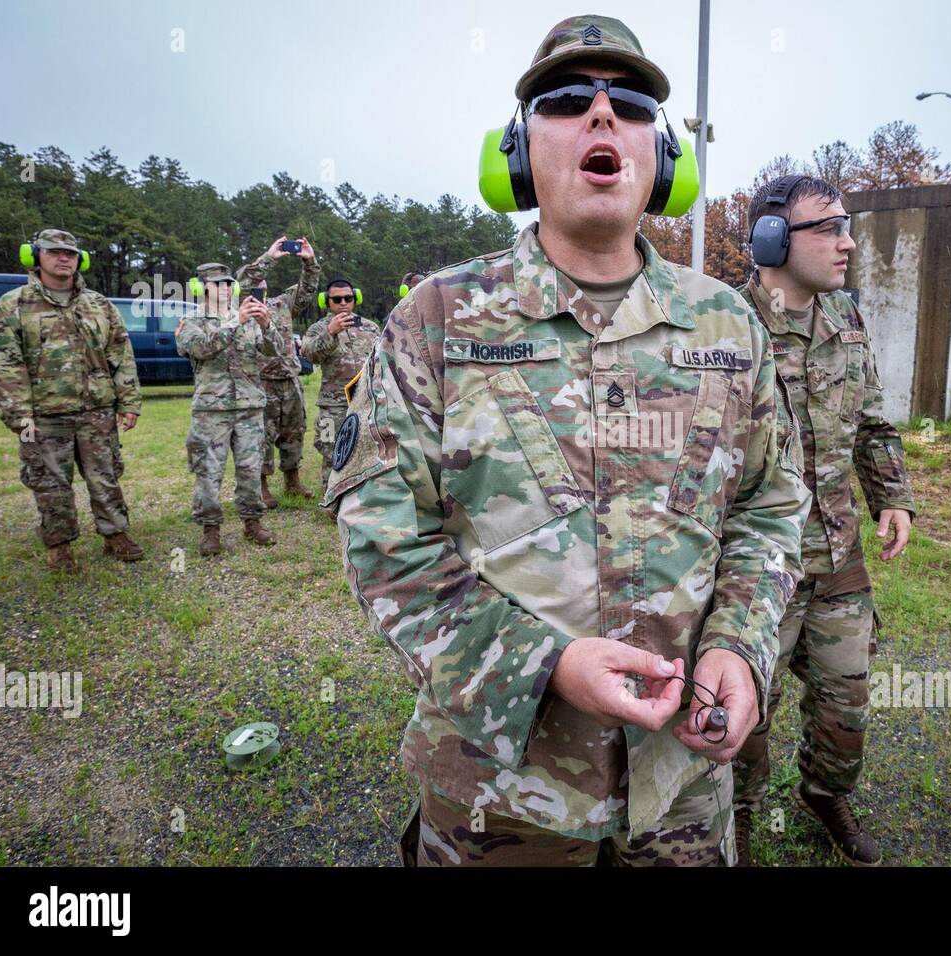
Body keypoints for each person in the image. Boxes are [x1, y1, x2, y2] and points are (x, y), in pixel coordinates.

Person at [325, 14, 809, 866]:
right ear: (516, 151)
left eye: (629, 102)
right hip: (502, 798)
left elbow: (769, 506)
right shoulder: (435, 320)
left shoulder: (729, 324)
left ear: (665, 160)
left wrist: (740, 643)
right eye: (563, 100)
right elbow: (384, 542)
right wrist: (544, 664)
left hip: (684, 788)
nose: (601, 116)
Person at [734, 175, 917, 866]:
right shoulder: (724, 328)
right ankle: (738, 812)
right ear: (772, 239)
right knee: (746, 708)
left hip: (838, 555)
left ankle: (824, 791)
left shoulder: (846, 319)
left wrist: (892, 496)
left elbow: (871, 422)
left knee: (847, 703)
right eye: (829, 228)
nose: (846, 243)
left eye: (848, 227)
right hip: (756, 564)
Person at [0, 228, 143, 570]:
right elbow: (3, 365)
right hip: (42, 417)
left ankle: (115, 534)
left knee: (106, 478)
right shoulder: (12, 306)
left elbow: (121, 354)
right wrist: (19, 416)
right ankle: (59, 546)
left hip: (96, 413)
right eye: (54, 252)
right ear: (34, 256)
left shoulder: (99, 305)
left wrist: (128, 401)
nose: (63, 258)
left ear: (79, 260)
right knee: (50, 484)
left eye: (70, 254)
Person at [176, 262, 282, 556]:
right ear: (201, 288)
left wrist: (266, 325)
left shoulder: (250, 319)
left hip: (249, 407)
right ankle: (210, 529)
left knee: (250, 470)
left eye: (227, 284)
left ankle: (253, 522)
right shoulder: (191, 320)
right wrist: (234, 321)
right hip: (212, 410)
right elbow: (201, 349)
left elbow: (276, 350)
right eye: (216, 284)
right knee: (208, 473)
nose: (223, 289)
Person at [237, 236, 320, 506]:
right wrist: (270, 258)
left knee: (294, 431)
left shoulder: (281, 304)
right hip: (259, 381)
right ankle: (260, 485)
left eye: (262, 280)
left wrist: (309, 262)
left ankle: (292, 481)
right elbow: (246, 279)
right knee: (261, 434)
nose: (259, 283)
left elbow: (307, 291)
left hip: (289, 379)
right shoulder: (238, 309)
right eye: (255, 280)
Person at [301, 278, 380, 496]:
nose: (343, 302)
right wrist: (330, 332)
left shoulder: (370, 327)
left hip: (365, 400)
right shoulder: (318, 328)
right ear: (326, 302)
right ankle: (332, 496)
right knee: (331, 449)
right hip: (333, 404)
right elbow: (309, 355)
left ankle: (362, 493)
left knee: (367, 446)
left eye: (348, 298)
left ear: (356, 298)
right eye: (337, 299)